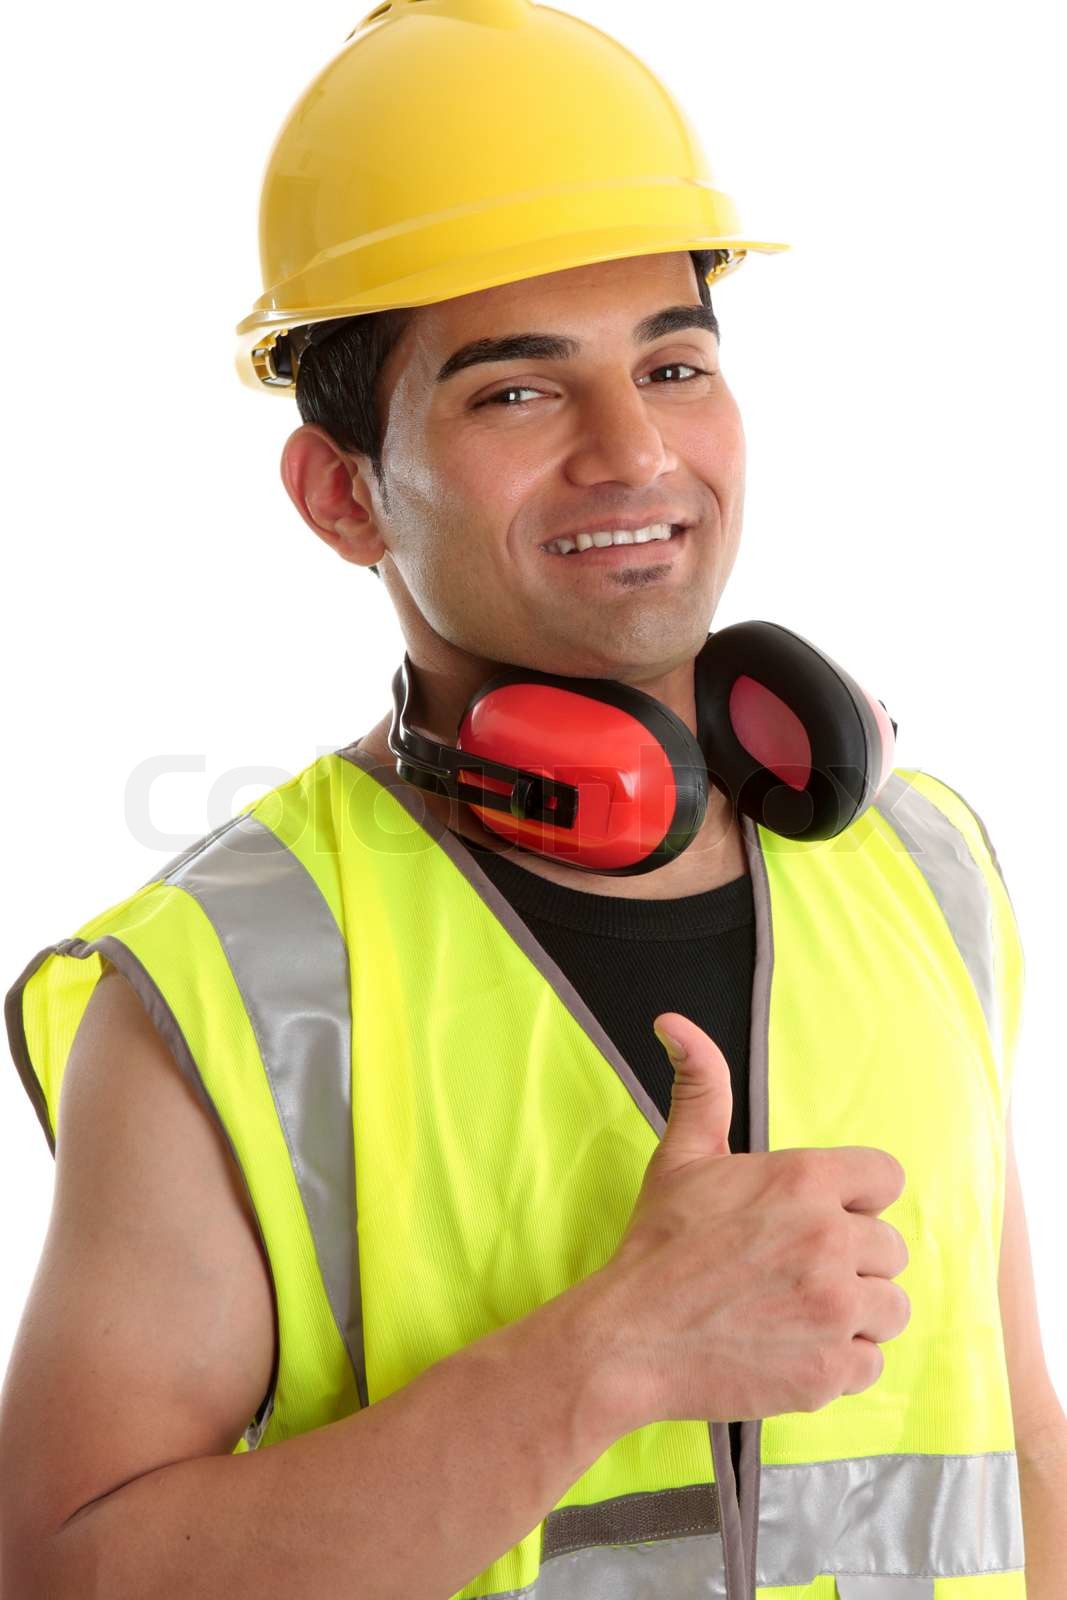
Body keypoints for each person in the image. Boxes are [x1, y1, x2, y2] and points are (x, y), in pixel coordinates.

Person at [1, 2, 1063, 1597]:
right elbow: (66, 1573)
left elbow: (1020, 1456)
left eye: (676, 363)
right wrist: (607, 1359)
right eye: (517, 392)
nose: (635, 453)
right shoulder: (236, 987)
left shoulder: (927, 864)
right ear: (344, 493)